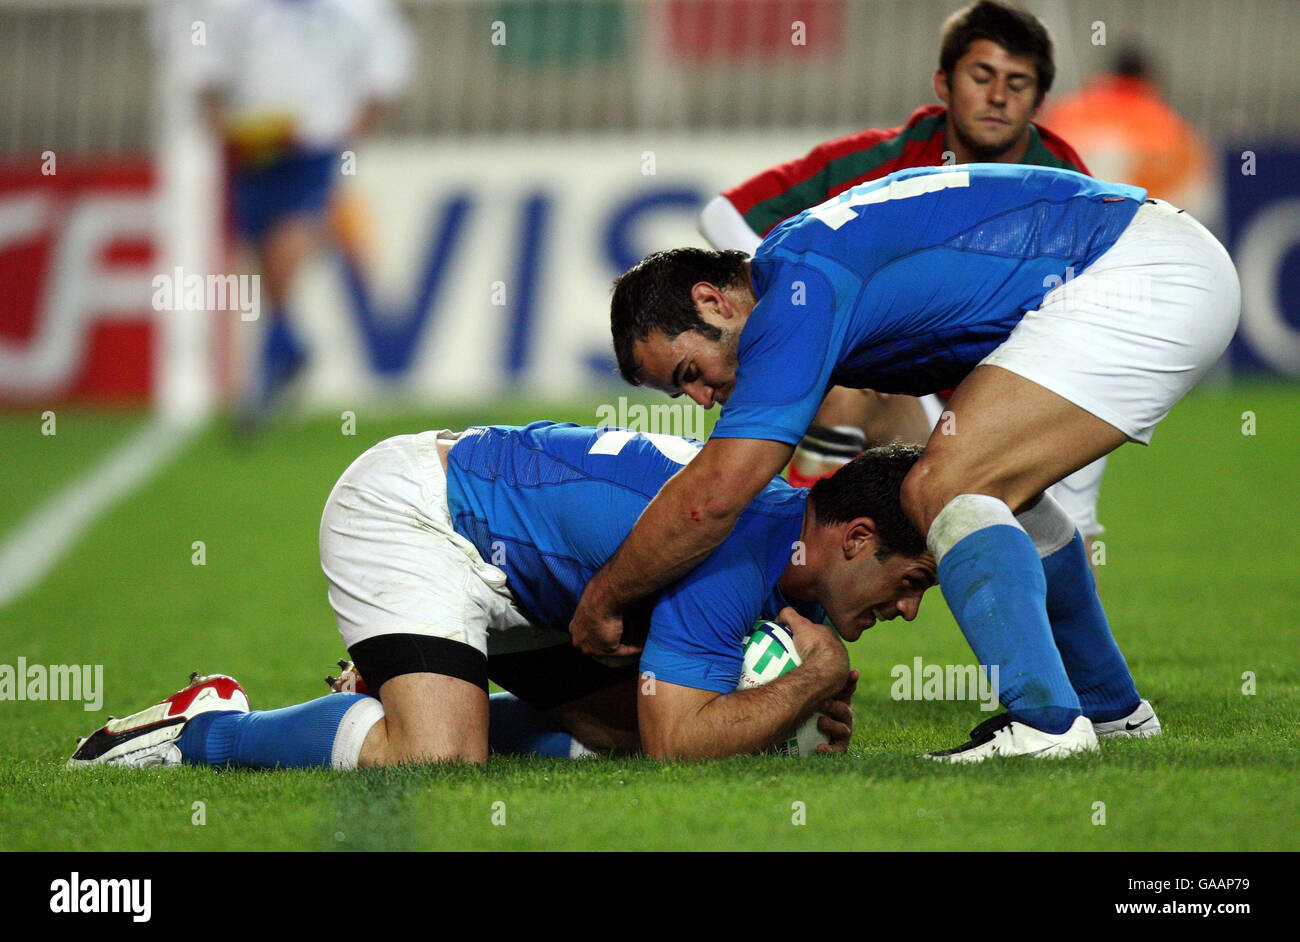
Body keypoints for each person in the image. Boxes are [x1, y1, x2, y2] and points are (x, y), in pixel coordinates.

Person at [574, 162, 1241, 762]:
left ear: (712, 300)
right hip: (1154, 259)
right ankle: (1112, 712)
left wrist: (606, 596)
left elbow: (716, 495)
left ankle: (1044, 728)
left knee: (949, 484)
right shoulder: (801, 266)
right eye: (679, 391)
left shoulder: (792, 298)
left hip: (1137, 275)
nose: (699, 397)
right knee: (994, 493)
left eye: (690, 370)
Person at [68, 424, 937, 769]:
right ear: (855, 540)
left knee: (621, 737)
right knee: (440, 760)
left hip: (529, 575)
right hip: (414, 517)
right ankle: (205, 731)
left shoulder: (784, 536)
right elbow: (682, 743)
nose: (907, 613)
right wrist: (807, 686)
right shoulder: (735, 551)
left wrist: (797, 697)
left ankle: (407, 679)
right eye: (909, 586)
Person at [699, 0, 1115, 554]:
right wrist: (805, 308)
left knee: (1035, 561)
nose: (997, 97)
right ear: (944, 82)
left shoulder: (1066, 191)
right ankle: (790, 556)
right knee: (838, 391)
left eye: (1018, 84)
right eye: (982, 76)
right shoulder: (888, 160)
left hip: (1019, 424)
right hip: (924, 411)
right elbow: (725, 215)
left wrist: (1080, 516)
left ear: (1039, 101)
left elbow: (1095, 349)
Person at [187, 0, 413, 427]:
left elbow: (384, 73)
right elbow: (207, 69)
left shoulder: (358, 11)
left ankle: (277, 347)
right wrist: (221, 125)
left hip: (315, 143)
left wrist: (352, 131)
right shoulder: (236, 10)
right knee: (263, 248)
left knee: (289, 230)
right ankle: (285, 337)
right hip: (253, 145)